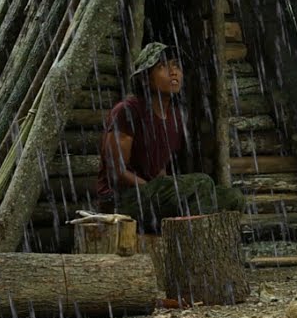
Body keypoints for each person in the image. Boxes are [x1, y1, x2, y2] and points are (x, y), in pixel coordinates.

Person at [96, 42, 242, 232]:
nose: (173, 72)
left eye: (176, 65)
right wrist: (157, 188)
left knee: (232, 197)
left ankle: (200, 244)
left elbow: (160, 168)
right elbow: (116, 172)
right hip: (123, 200)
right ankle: (189, 247)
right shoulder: (127, 111)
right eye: (163, 66)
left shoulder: (175, 117)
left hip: (152, 195)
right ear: (145, 79)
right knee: (201, 183)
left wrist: (167, 190)